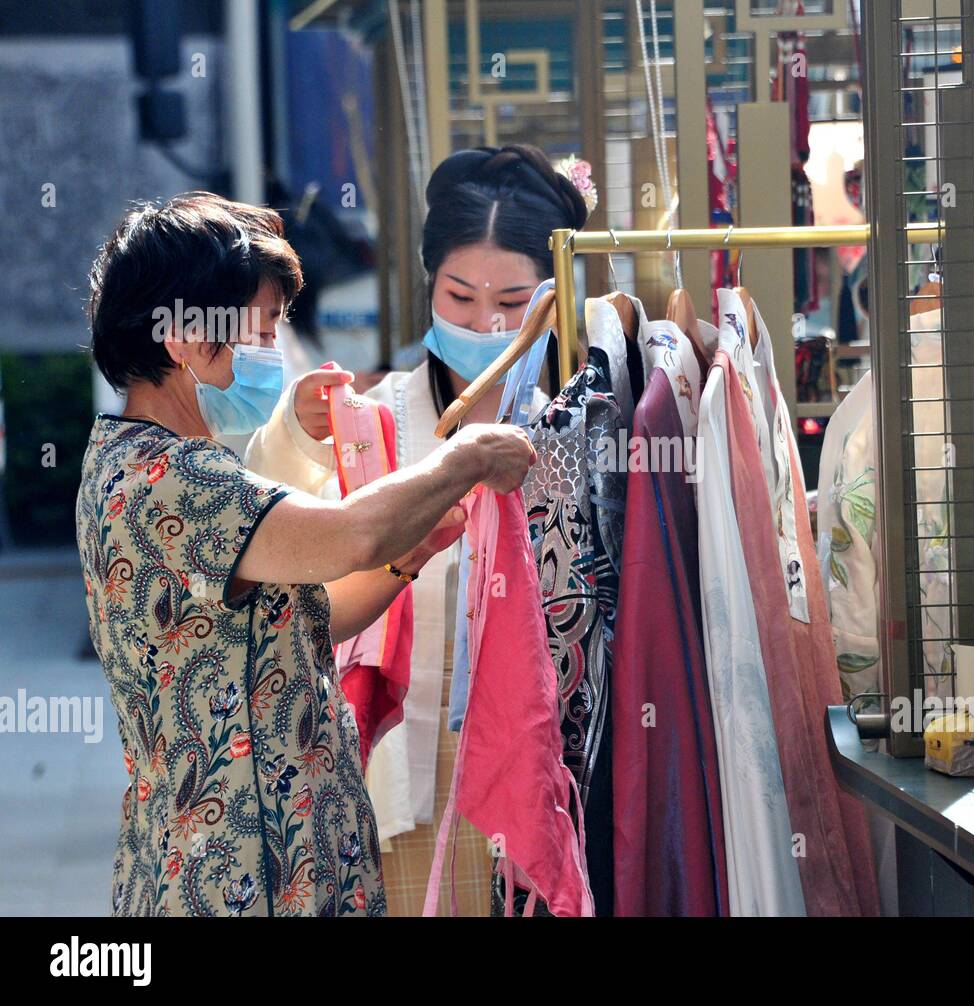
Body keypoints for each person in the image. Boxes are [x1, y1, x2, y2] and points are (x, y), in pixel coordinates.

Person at [76, 192, 536, 917]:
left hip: (255, 865)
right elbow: (350, 532)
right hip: (242, 880)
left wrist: (408, 558)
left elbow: (306, 621)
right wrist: (466, 457)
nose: (272, 356)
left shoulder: (130, 464)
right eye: (260, 334)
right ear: (187, 340)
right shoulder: (178, 482)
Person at [244, 143, 592, 915]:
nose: (485, 323)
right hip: (413, 760)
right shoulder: (386, 415)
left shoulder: (582, 420)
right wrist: (301, 434)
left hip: (551, 748)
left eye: (513, 301)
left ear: (557, 298)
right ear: (429, 285)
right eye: (459, 297)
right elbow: (283, 519)